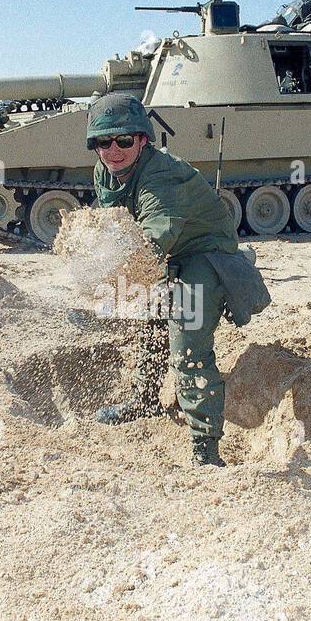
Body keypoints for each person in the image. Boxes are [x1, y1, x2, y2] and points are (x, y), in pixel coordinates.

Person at [85, 93, 268, 468]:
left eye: (124, 140)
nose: (114, 150)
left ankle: (206, 448)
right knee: (149, 323)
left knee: (188, 343)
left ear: (143, 140)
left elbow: (153, 236)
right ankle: (145, 400)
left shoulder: (163, 174)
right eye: (104, 142)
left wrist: (109, 279)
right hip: (166, 255)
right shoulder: (105, 171)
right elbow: (113, 222)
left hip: (205, 256)